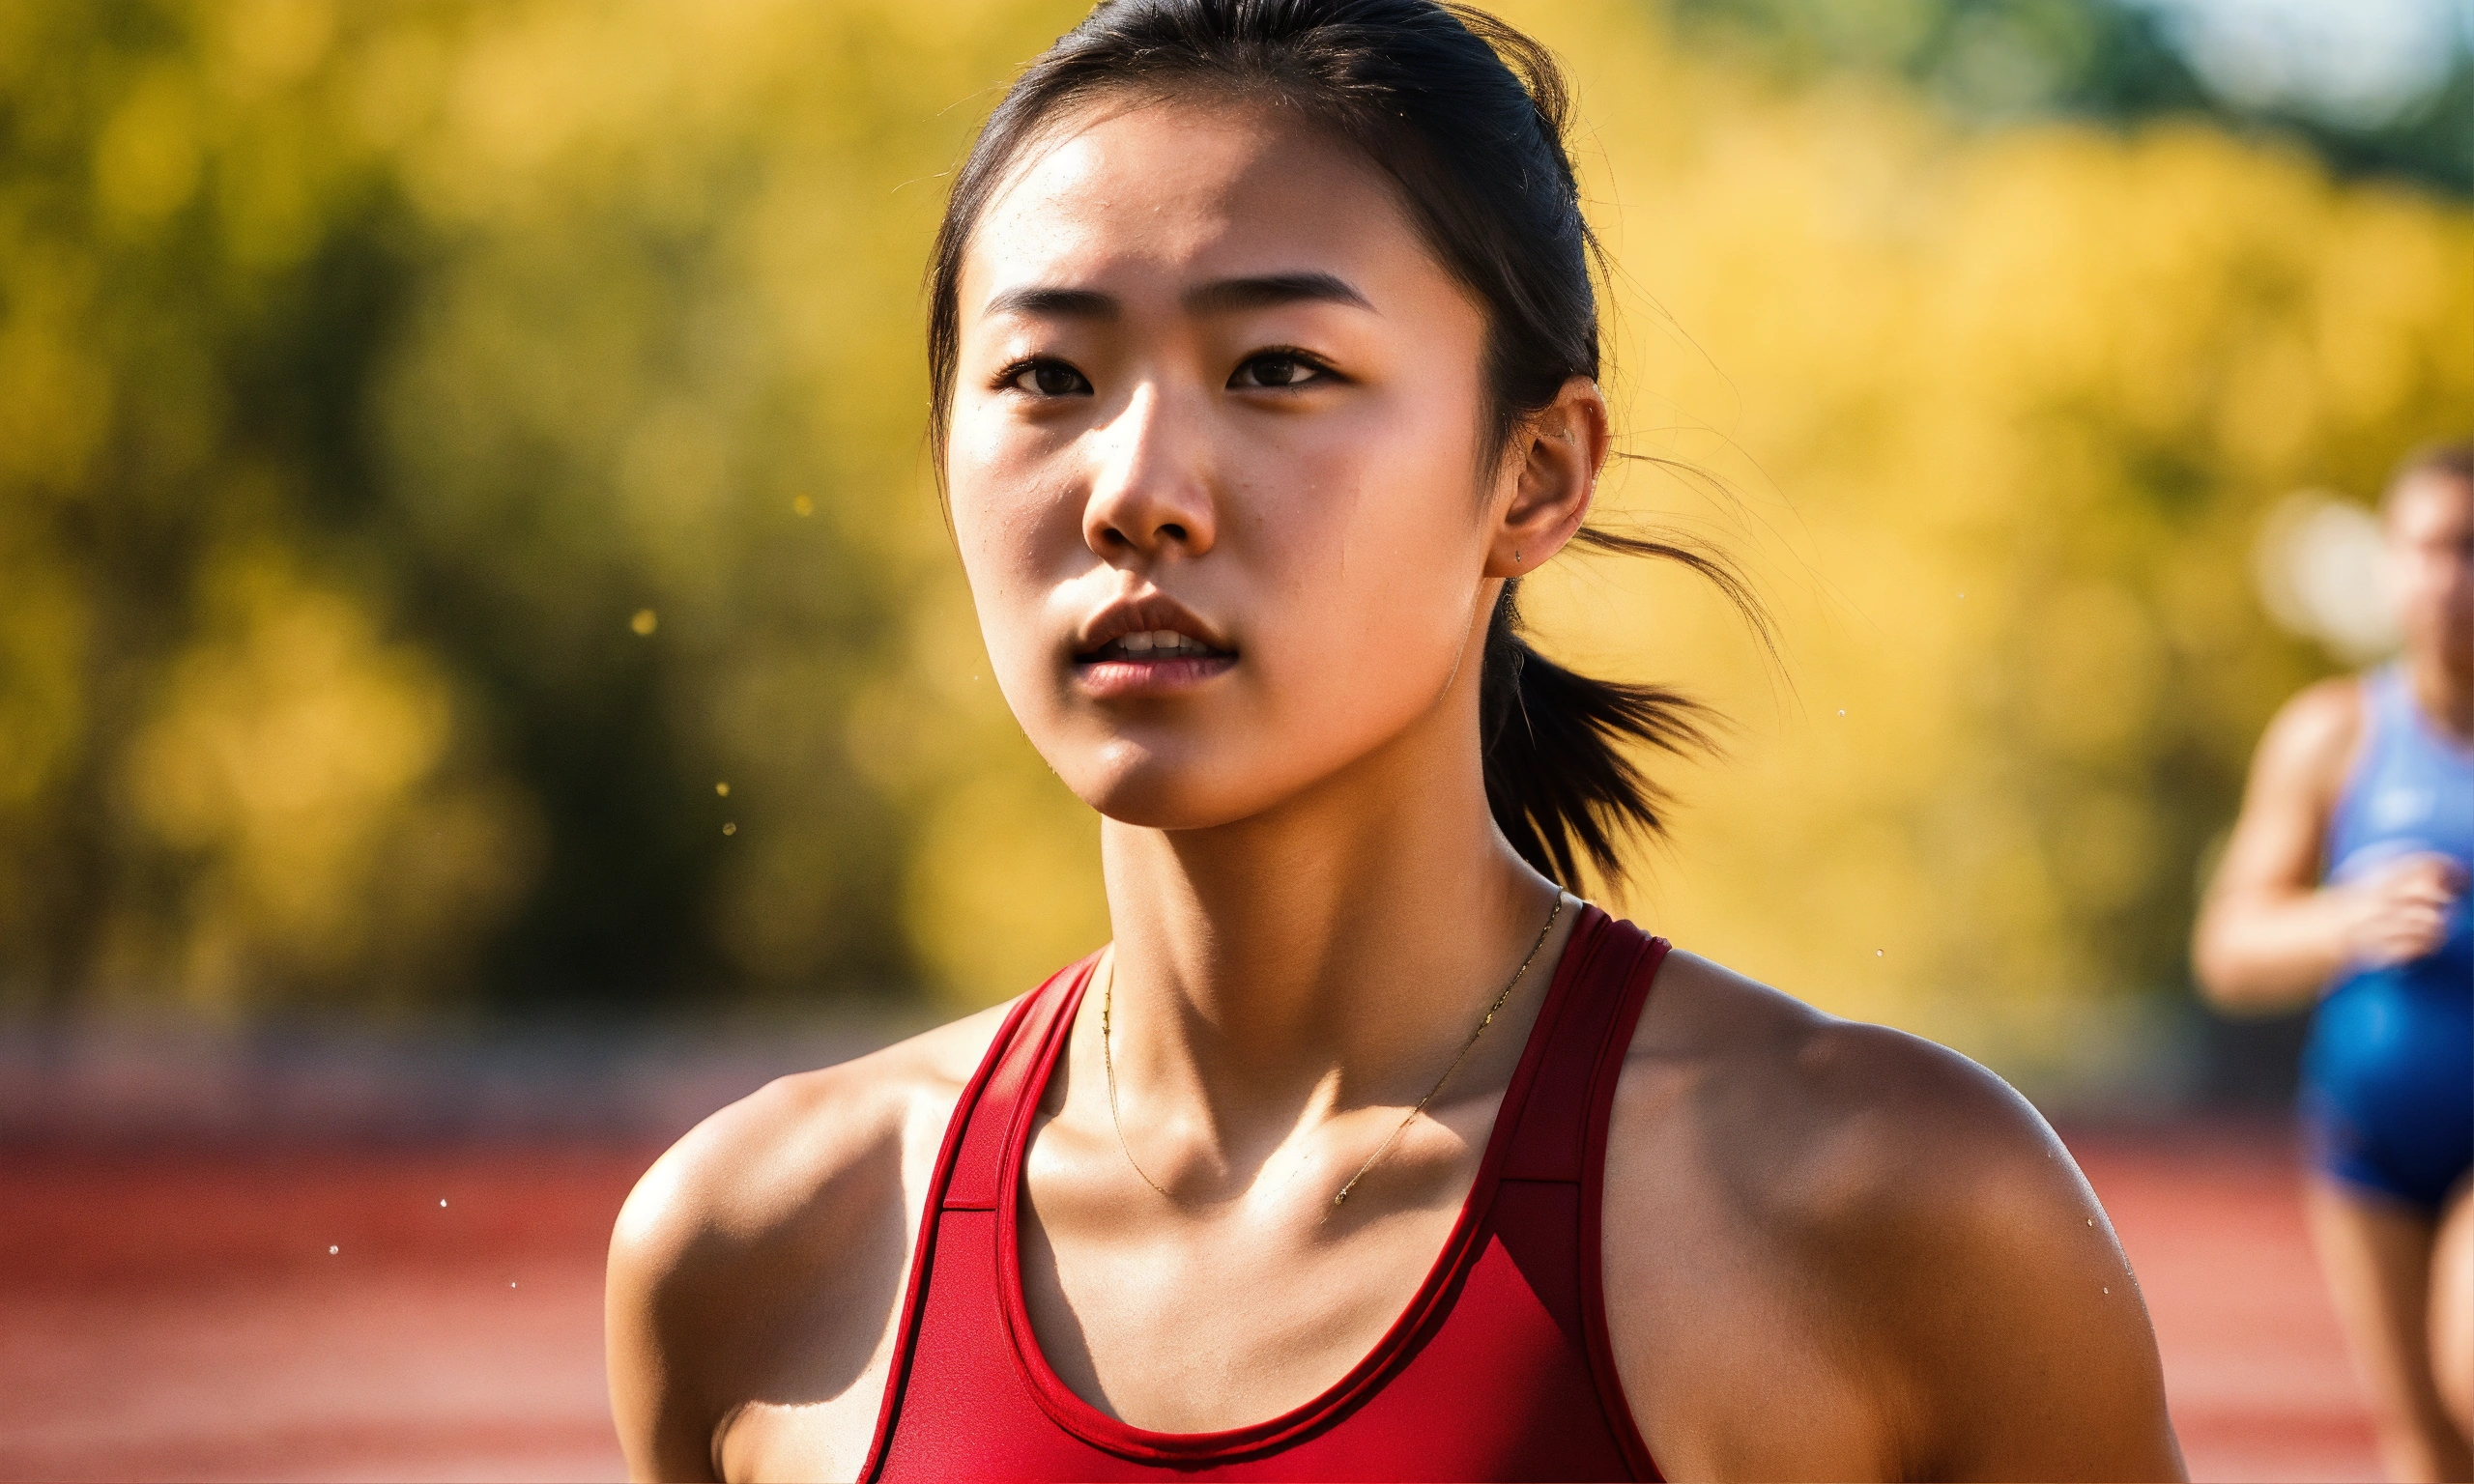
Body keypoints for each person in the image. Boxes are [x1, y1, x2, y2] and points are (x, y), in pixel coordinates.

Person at [606, 3, 2182, 1478]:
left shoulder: (1883, 1211)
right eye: (1048, 376)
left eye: (1279, 368)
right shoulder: (763, 1248)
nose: (1135, 489)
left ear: (1538, 474)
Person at [2196, 442, 2474, 1483]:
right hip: (2368, 1145)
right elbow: (2228, 948)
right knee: (2424, 1450)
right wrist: (2347, 918)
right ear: (2391, 568)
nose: (2451, 578)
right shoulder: (2333, 734)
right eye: (2429, 548)